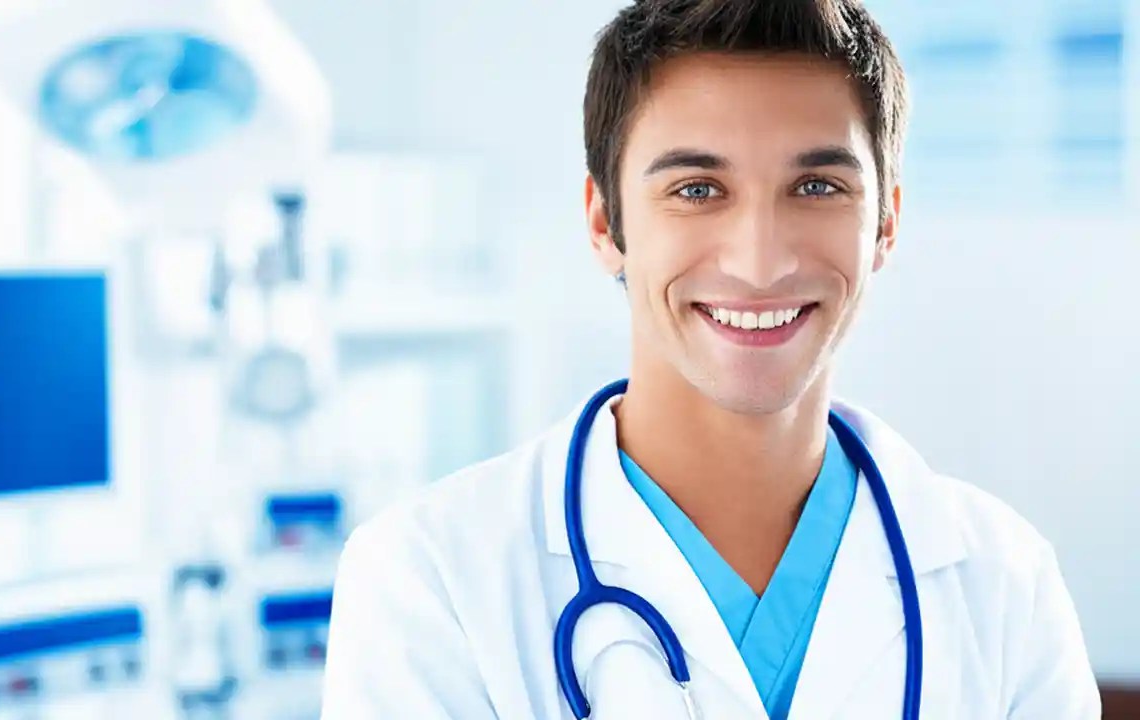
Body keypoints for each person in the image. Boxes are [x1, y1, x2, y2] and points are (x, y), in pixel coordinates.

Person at [319, 0, 1100, 717]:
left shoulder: (1004, 588)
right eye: (697, 190)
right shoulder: (430, 584)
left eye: (818, 186)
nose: (760, 263)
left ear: (886, 223)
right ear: (604, 222)